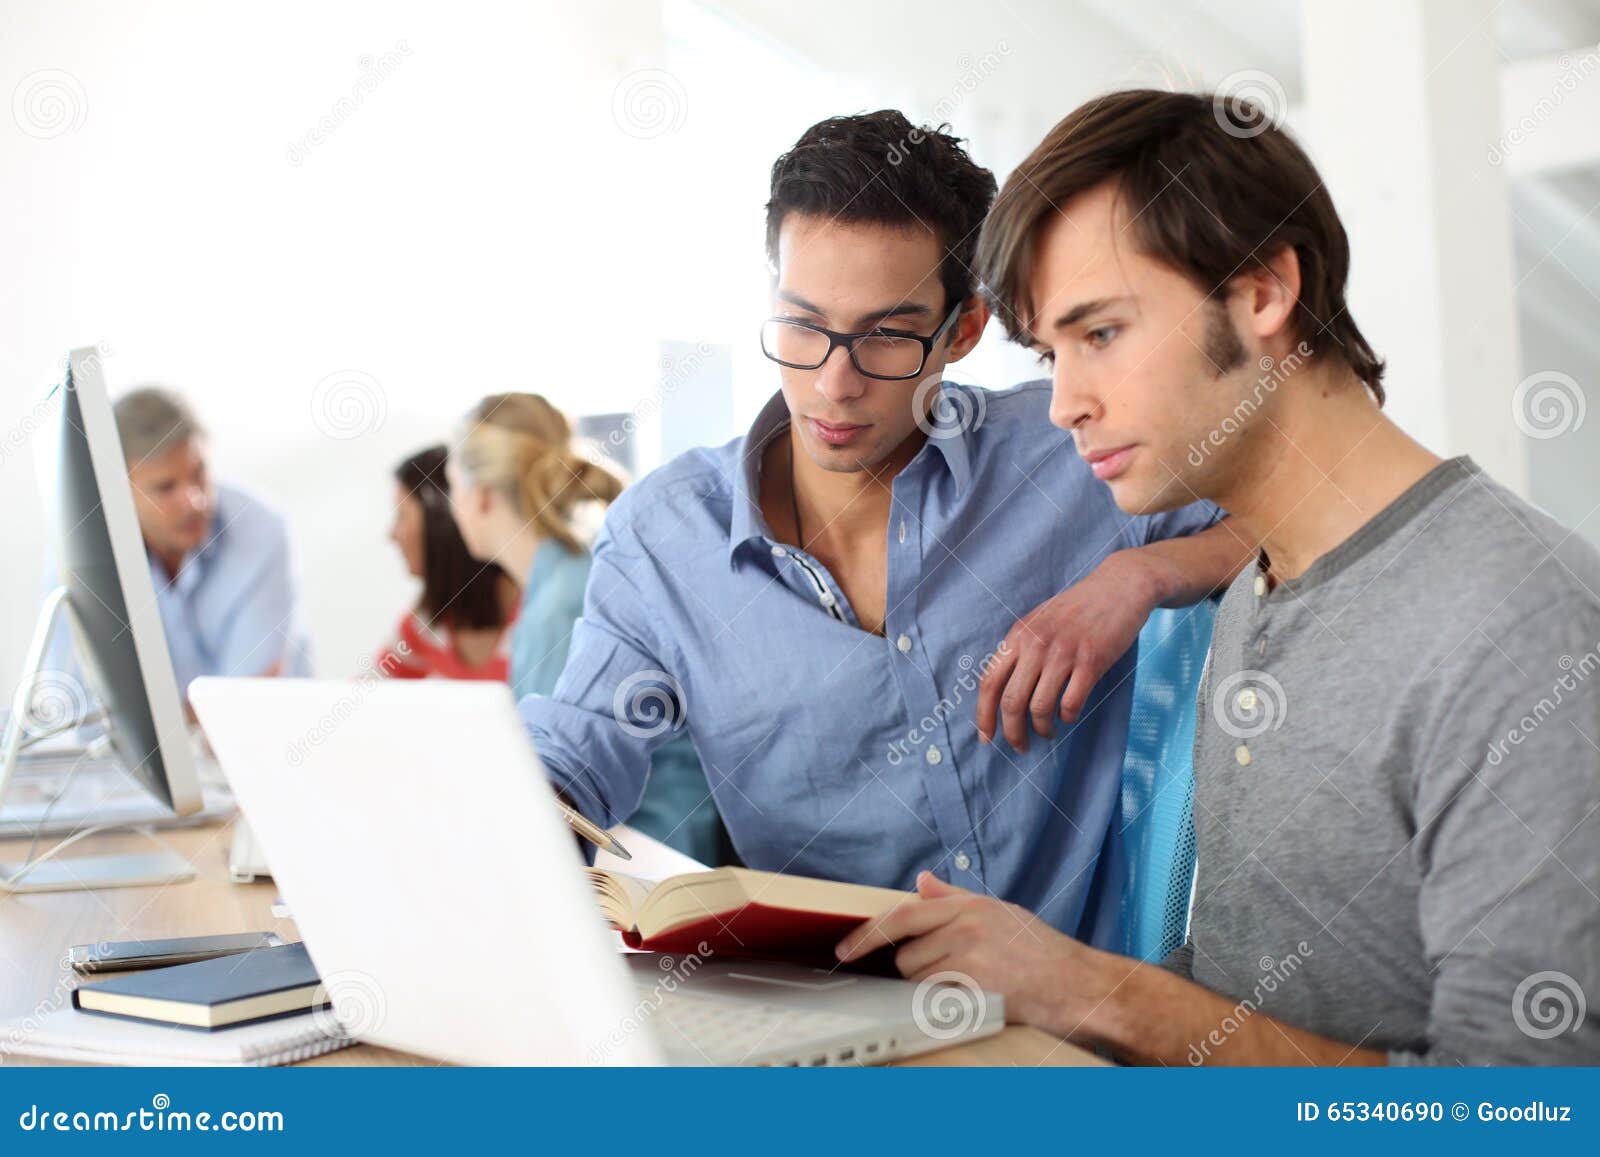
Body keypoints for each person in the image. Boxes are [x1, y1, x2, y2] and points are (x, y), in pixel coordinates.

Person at [836, 89, 1600, 1065]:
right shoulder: (1258, 589)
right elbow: (1251, 992)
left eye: (1100, 333)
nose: (1064, 403)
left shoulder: (1526, 622)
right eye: (1051, 352)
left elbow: (1529, 1111)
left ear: (1263, 293)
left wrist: (1092, 988)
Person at [518, 111, 1252, 942]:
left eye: (888, 335)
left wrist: (1140, 575)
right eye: (803, 325)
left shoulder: (1069, 454)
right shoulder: (666, 539)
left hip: (1073, 1005)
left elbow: (1295, 510)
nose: (836, 383)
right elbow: (575, 755)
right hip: (829, 1010)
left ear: (963, 330)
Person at [446, 393, 724, 864]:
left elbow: (552, 781)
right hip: (649, 844)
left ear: (481, 496)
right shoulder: (566, 575)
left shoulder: (562, 602)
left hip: (650, 857)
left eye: (451, 486)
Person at [46, 386, 312, 697]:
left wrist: (163, 720)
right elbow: (77, 700)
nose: (194, 501)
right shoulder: (79, 559)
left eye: (199, 473)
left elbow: (243, 699)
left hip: (270, 724)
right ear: (118, 494)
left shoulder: (261, 531)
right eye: (166, 487)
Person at [374, 445, 519, 682]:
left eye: (401, 516)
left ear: (440, 520)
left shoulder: (535, 615)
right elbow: (368, 688)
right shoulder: (425, 624)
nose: (392, 535)